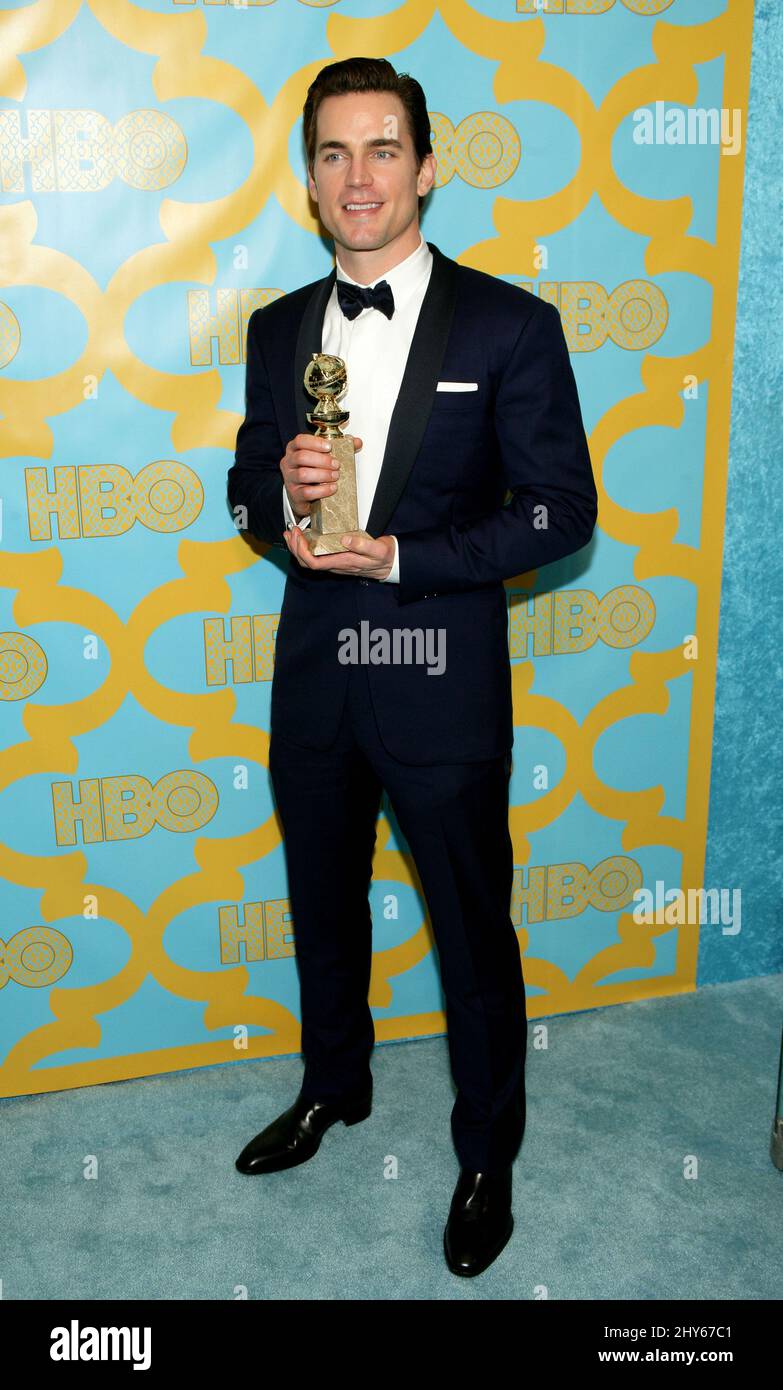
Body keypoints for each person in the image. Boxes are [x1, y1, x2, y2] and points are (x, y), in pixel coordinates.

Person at [226, 56, 597, 1278]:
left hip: (440, 675)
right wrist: (275, 502)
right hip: (316, 678)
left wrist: (400, 557)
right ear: (311, 181)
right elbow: (244, 484)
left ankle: (487, 1151)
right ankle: (337, 1087)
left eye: (382, 149)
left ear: (427, 167)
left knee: (470, 934)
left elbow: (559, 514)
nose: (358, 176)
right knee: (322, 911)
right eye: (333, 154)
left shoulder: (510, 324)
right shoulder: (278, 330)